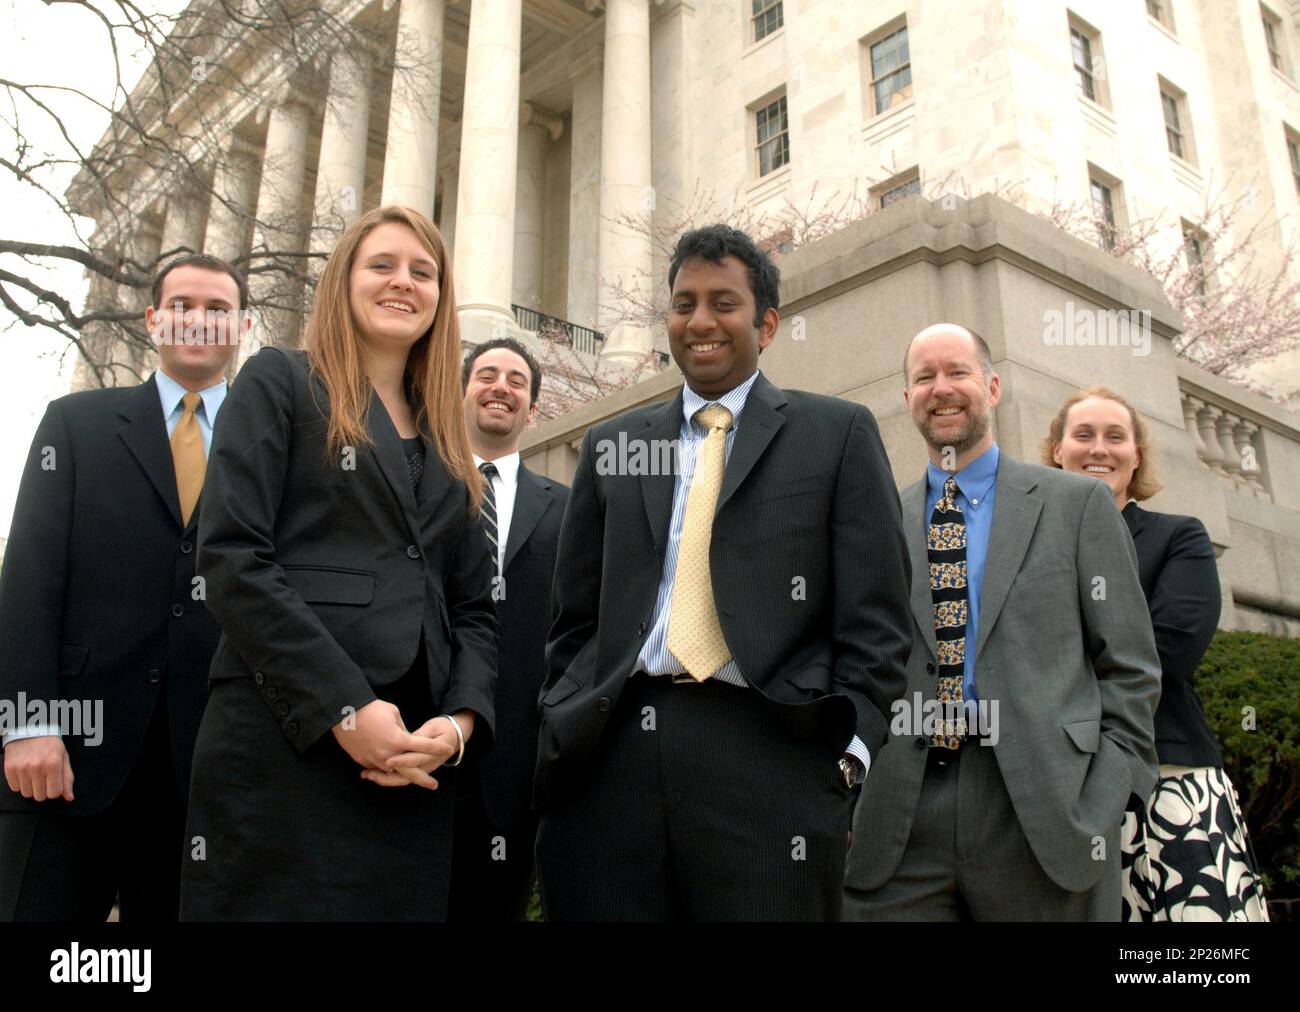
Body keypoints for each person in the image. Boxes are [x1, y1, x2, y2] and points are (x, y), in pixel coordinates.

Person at [535, 224, 911, 921]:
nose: (700, 321)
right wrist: (562, 721)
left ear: (767, 324)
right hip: (610, 761)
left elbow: (879, 624)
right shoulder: (613, 446)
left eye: (723, 303)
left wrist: (845, 761)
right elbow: (574, 619)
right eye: (683, 304)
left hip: (772, 763)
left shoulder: (837, 434)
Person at [179, 206, 497, 921]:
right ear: (343, 280)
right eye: (381, 265)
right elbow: (233, 556)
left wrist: (459, 727)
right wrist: (346, 709)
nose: (403, 283)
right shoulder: (281, 381)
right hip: (287, 737)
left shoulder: (450, 438)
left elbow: (473, 607)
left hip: (413, 764)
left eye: (424, 272)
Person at [843, 323, 1161, 921]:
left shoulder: (1077, 506)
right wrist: (848, 795)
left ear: (992, 386)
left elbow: (1131, 669)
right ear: (905, 397)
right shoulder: (876, 518)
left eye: (957, 372)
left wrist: (1103, 798)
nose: (942, 388)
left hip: (1045, 812)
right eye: (924, 377)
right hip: (899, 824)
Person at [0, 253, 247, 920]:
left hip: (205, 769)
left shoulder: (269, 448)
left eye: (218, 308)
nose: (199, 320)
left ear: (243, 326)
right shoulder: (74, 426)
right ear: (152, 320)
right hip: (67, 757)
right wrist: (27, 723)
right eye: (184, 305)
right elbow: (29, 577)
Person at [1044, 386, 1269, 921]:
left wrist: (1050, 680)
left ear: (1136, 455)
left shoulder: (1178, 539)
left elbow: (1169, 653)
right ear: (1056, 450)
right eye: (1083, 435)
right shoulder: (1031, 549)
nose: (1099, 448)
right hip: (1059, 790)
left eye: (1115, 436)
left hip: (1172, 781)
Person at [448, 338, 569, 922]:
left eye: (517, 381)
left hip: (518, 763)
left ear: (532, 407)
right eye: (488, 374)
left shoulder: (570, 508)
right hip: (419, 740)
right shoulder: (418, 486)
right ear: (462, 391)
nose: (501, 386)